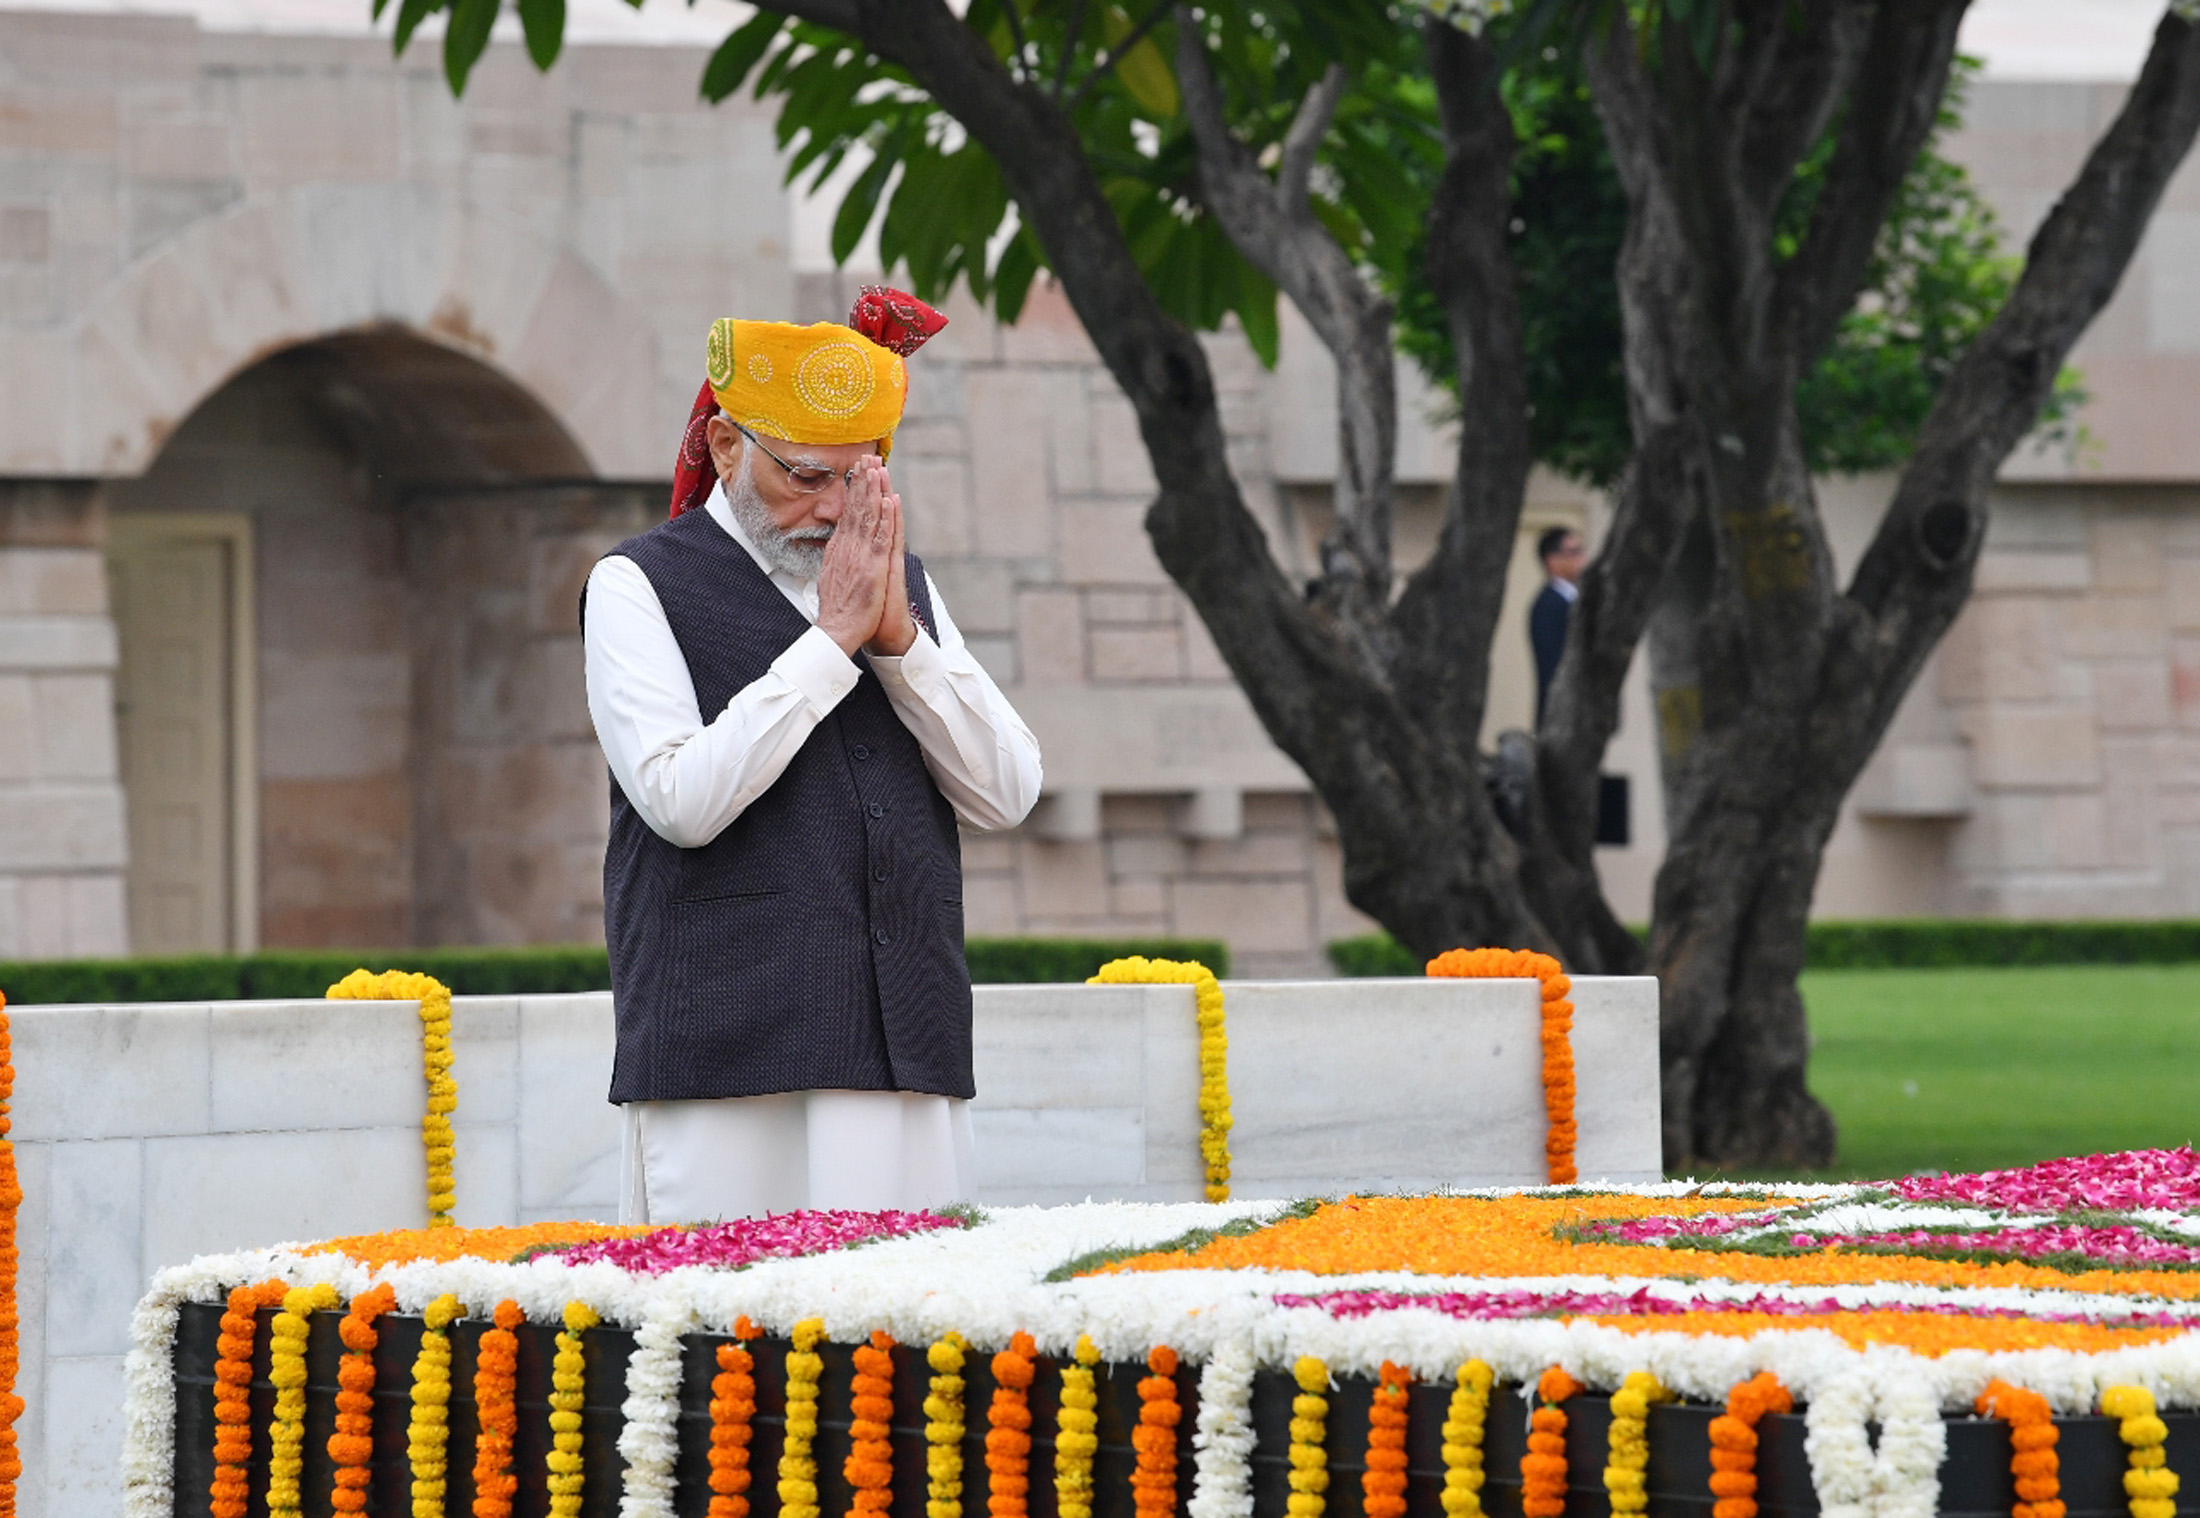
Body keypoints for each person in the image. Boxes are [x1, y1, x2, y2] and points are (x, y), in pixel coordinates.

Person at [581, 288, 1042, 1224]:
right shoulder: (636, 585)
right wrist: (830, 644)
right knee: (732, 1350)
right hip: (728, 1060)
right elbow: (679, 800)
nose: (834, 510)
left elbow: (1010, 792)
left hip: (905, 1053)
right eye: (804, 478)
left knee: (910, 1349)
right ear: (724, 449)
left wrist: (898, 644)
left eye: (859, 477)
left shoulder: (897, 585)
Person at [1529, 525, 1586, 729]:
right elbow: (1553, 664)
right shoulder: (1549, 604)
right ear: (1552, 560)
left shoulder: (1575, 599)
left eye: (1582, 550)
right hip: (1562, 716)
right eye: (1573, 552)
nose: (1582, 558)